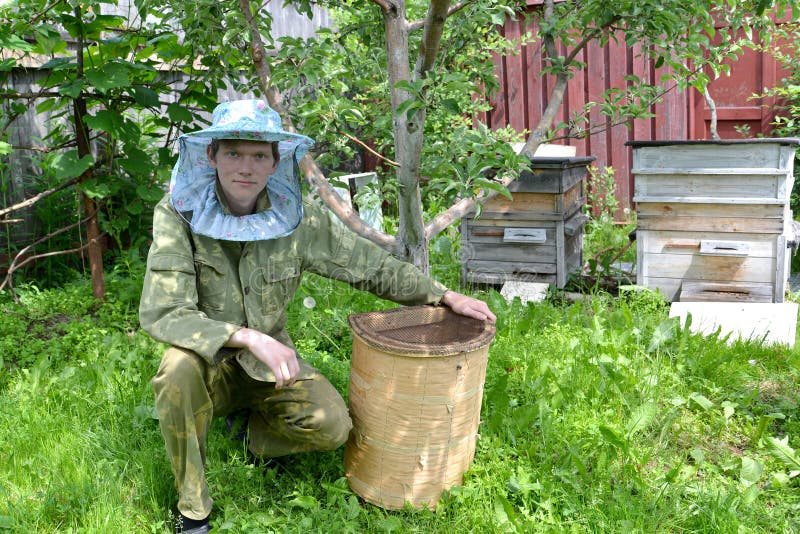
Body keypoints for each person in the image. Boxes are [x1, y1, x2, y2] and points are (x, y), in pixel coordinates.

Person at [139, 99, 496, 533]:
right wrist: (248, 337)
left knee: (333, 427)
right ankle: (193, 509)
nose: (245, 167)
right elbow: (165, 310)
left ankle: (248, 434)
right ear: (211, 156)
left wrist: (443, 295)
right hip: (207, 362)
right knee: (176, 369)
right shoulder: (178, 213)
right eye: (233, 153)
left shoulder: (296, 218)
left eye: (259, 155)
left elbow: (368, 264)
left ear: (275, 163)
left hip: (270, 367)